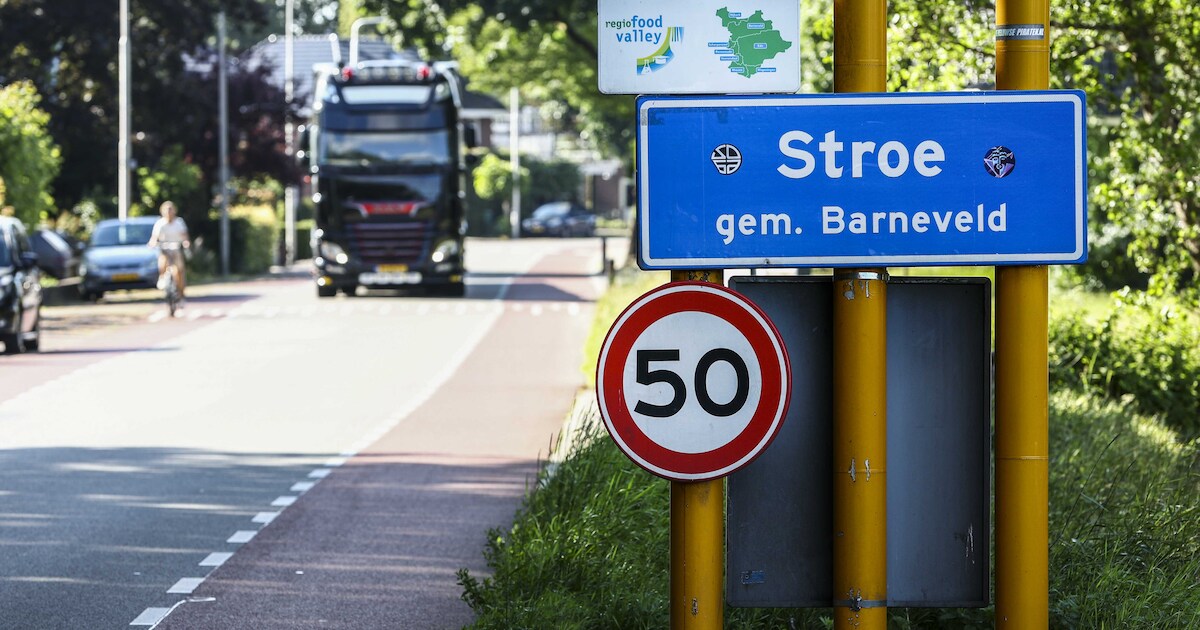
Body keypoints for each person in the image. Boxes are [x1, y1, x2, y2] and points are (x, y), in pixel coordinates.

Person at [147, 200, 190, 299]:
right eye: (167, 210)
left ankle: (180, 291)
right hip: (165, 247)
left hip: (176, 248)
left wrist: (186, 243)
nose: (169, 213)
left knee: (179, 270)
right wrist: (152, 243)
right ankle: (162, 277)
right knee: (162, 259)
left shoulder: (179, 222)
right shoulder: (160, 223)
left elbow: (184, 236)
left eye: (170, 210)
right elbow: (154, 237)